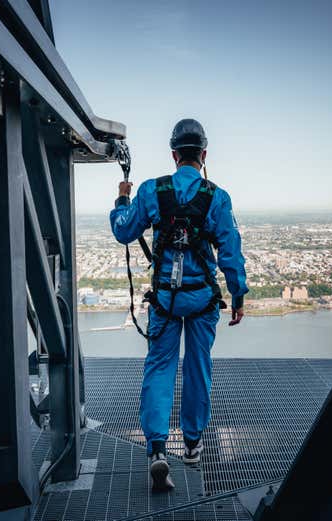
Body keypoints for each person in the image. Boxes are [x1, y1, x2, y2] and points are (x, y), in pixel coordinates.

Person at [110, 119, 248, 490]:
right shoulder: (217, 197)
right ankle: (191, 447)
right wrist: (237, 294)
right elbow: (231, 253)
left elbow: (124, 230)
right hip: (202, 299)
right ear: (203, 155)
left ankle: (157, 449)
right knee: (198, 369)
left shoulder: (152, 191)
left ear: (174, 155)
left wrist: (122, 199)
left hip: (166, 300)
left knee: (159, 368)